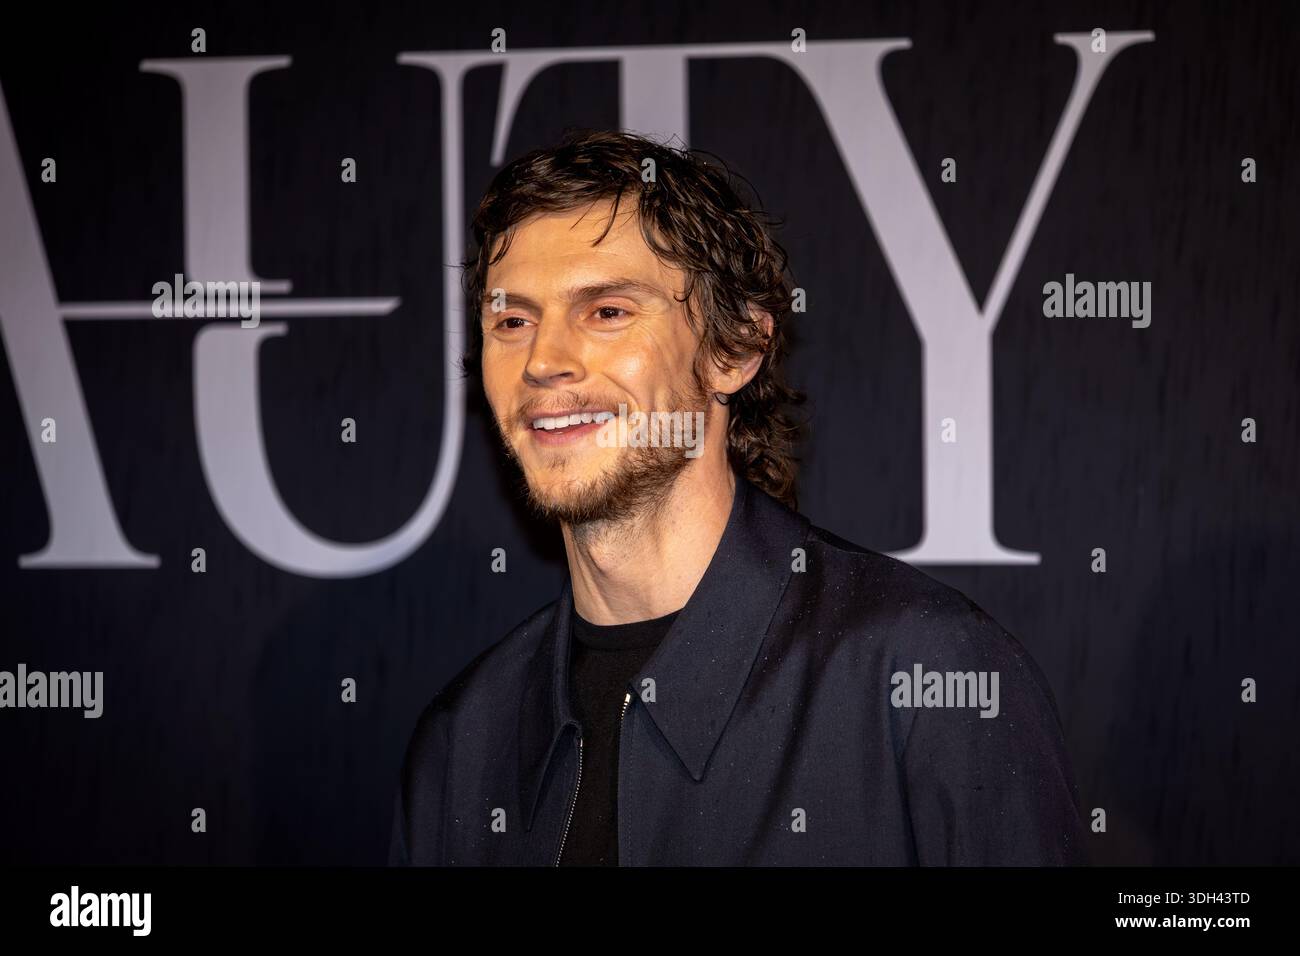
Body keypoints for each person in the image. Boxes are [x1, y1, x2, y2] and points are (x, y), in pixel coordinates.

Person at [389, 129, 1088, 866]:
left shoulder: (925, 677)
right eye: (512, 321)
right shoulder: (464, 742)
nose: (544, 361)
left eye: (607, 311)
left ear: (736, 350)